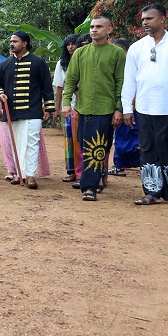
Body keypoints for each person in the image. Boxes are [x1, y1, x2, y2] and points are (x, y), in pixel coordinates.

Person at [121, 3, 168, 205]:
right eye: (143, 19)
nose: (145, 22)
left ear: (163, 20)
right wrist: (127, 108)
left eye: (149, 18)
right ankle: (151, 192)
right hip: (144, 107)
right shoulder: (137, 48)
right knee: (147, 150)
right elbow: (129, 80)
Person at [62, 15, 126, 202]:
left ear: (109, 30)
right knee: (84, 145)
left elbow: (120, 82)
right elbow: (71, 80)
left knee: (98, 147)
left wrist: (118, 109)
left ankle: (89, 187)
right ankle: (98, 177)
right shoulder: (80, 53)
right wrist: (66, 103)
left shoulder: (117, 53)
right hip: (82, 109)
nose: (94, 30)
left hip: (105, 109)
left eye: (99, 26)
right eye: (92, 26)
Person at [0, 31, 55, 189]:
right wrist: (1, 94)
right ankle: (20, 173)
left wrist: (49, 108)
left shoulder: (38, 62)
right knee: (17, 144)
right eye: (11, 41)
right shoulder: (5, 64)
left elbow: (47, 87)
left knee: (32, 143)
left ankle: (31, 175)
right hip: (11, 111)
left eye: (15, 41)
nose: (11, 44)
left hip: (32, 111)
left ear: (25, 43)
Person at [110, 37, 139, 175]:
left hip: (125, 106)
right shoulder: (134, 60)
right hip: (136, 106)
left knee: (122, 137)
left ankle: (120, 165)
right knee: (135, 136)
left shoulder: (124, 61)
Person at [53, 34, 80, 182]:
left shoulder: (84, 60)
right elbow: (59, 88)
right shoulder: (61, 64)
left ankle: (84, 172)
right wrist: (57, 109)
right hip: (67, 107)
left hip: (84, 106)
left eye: (73, 44)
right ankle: (71, 171)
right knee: (69, 140)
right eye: (68, 44)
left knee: (81, 139)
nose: (71, 47)